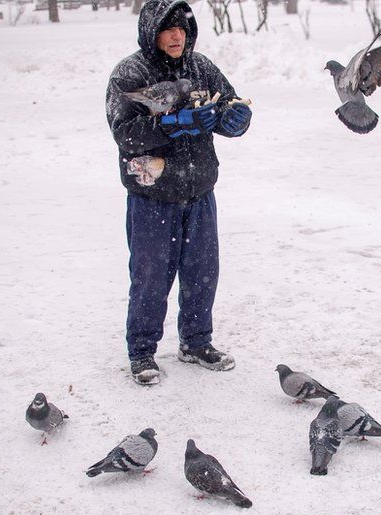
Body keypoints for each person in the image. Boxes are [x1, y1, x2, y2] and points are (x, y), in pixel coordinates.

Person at [105, 0, 252, 385]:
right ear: (151, 32)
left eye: (182, 29)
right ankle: (142, 351)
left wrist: (235, 120)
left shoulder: (201, 68)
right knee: (151, 276)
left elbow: (228, 106)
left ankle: (196, 342)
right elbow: (125, 133)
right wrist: (172, 124)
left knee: (202, 272)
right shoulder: (130, 74)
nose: (176, 36)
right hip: (153, 195)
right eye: (168, 29)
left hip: (199, 191)